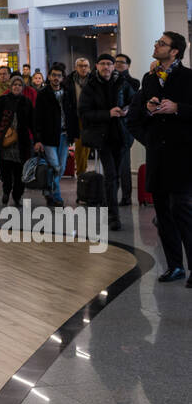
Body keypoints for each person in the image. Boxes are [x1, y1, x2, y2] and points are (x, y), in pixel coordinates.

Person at [127, 31, 192, 284]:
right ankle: (175, 266)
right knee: (163, 213)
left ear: (175, 51)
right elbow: (134, 118)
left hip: (184, 156)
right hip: (158, 157)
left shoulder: (188, 78)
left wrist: (178, 109)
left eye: (161, 43)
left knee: (182, 209)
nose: (156, 45)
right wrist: (147, 112)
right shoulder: (150, 78)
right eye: (157, 42)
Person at [78, 53, 126, 232]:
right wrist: (108, 114)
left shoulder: (122, 83)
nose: (106, 67)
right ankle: (113, 216)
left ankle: (109, 205)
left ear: (114, 67)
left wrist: (126, 111)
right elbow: (84, 113)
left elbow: (134, 102)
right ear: (96, 66)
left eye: (109, 64)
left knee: (116, 176)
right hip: (103, 137)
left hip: (120, 136)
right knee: (111, 175)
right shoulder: (90, 86)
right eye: (103, 64)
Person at [0, 73, 33, 206]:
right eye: (14, 85)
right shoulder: (2, 100)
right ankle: (6, 191)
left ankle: (17, 196)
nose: (17, 87)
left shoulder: (26, 102)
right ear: (11, 86)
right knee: (6, 172)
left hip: (21, 144)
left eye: (19, 85)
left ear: (22, 87)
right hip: (4, 143)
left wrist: (38, 140)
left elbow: (33, 123)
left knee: (20, 174)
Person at [33, 64, 69, 206]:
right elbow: (37, 118)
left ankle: (48, 191)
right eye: (53, 75)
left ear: (62, 77)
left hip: (65, 135)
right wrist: (38, 139)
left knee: (62, 166)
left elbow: (71, 114)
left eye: (59, 75)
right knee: (55, 166)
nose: (56, 78)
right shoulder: (43, 94)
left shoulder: (67, 93)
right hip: (48, 136)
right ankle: (57, 196)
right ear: (49, 77)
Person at [113, 53, 140, 206]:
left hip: (125, 128)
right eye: (115, 62)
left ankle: (126, 197)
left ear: (128, 65)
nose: (117, 64)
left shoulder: (133, 82)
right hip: (111, 127)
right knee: (112, 166)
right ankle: (112, 195)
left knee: (124, 165)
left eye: (121, 62)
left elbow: (134, 102)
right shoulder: (109, 80)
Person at [65, 58, 91, 177]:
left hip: (90, 116)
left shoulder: (93, 80)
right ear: (76, 67)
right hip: (75, 116)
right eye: (80, 65)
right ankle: (81, 171)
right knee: (80, 144)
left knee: (87, 145)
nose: (83, 68)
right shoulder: (69, 80)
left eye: (85, 65)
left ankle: (82, 169)